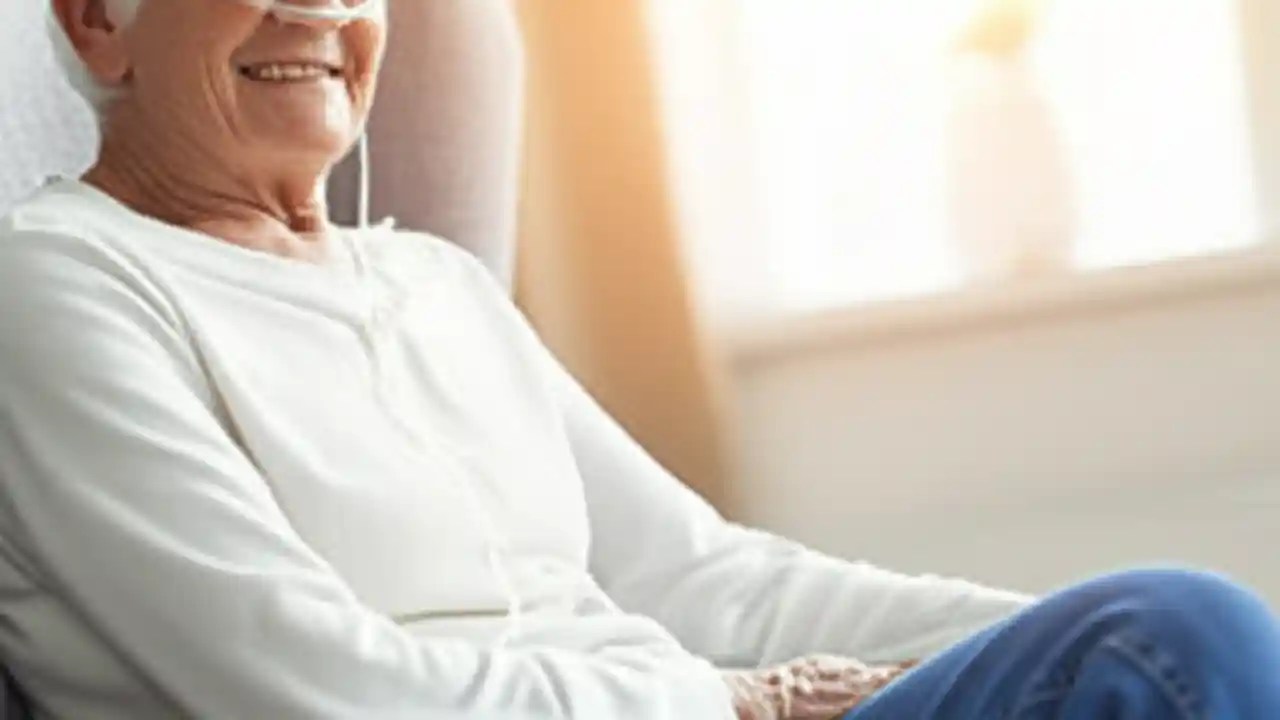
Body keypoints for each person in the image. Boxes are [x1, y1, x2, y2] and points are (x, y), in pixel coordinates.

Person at [0, 0, 1275, 718]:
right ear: (97, 20)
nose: (319, 10)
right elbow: (307, 689)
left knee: (1158, 642)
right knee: (1177, 635)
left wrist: (1029, 641)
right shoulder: (63, 290)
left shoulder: (431, 284)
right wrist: (727, 705)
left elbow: (703, 576)